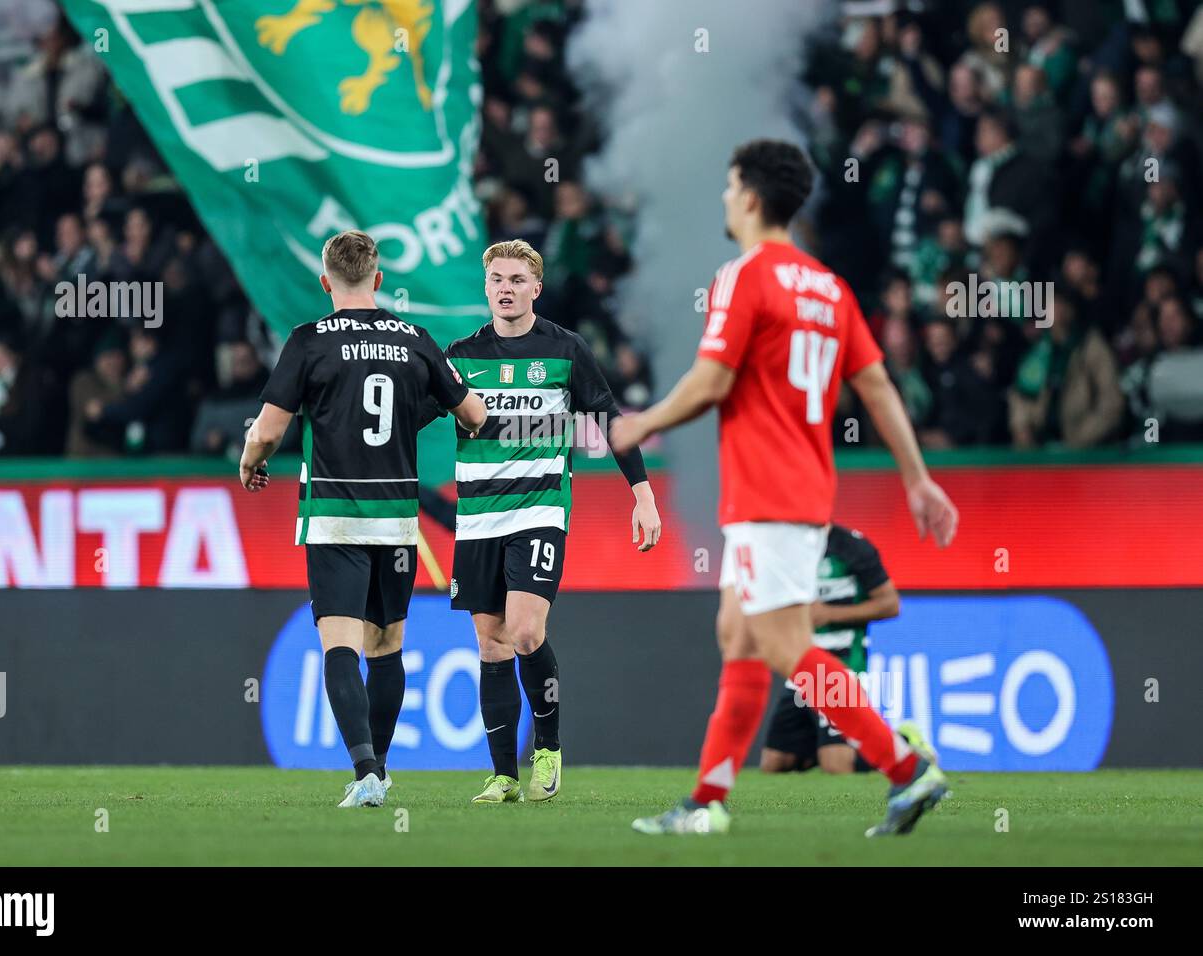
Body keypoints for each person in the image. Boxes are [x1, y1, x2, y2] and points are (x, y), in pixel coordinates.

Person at [611, 139, 958, 837]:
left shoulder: (746, 276)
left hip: (765, 493)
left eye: (729, 183)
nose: (722, 196)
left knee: (782, 645)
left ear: (749, 195)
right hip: (802, 490)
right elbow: (878, 386)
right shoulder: (828, 287)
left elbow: (712, 383)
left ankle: (904, 767)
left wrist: (640, 423)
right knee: (738, 634)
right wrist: (917, 477)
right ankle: (706, 804)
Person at [240, 230, 486, 808]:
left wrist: (251, 462)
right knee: (387, 646)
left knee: (340, 647)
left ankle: (366, 772)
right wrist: (419, 413)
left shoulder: (308, 342)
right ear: (378, 280)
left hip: (336, 518)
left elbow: (270, 429)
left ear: (325, 281)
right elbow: (472, 412)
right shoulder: (414, 340)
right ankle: (380, 767)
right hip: (398, 520)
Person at [439, 239, 661, 804]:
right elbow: (412, 412)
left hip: (540, 511)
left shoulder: (565, 350)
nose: (506, 288)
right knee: (490, 647)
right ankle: (501, 777)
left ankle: (548, 749)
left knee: (525, 631)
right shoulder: (460, 355)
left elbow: (609, 417)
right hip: (478, 518)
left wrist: (642, 493)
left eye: (517, 279)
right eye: (497, 279)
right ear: (486, 287)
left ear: (536, 287)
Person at [760, 525, 899, 775]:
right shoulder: (787, 548)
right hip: (801, 669)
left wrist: (830, 614)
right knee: (774, 763)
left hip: (842, 665)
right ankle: (820, 745)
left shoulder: (851, 546)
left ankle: (904, 747)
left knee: (836, 764)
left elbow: (890, 604)